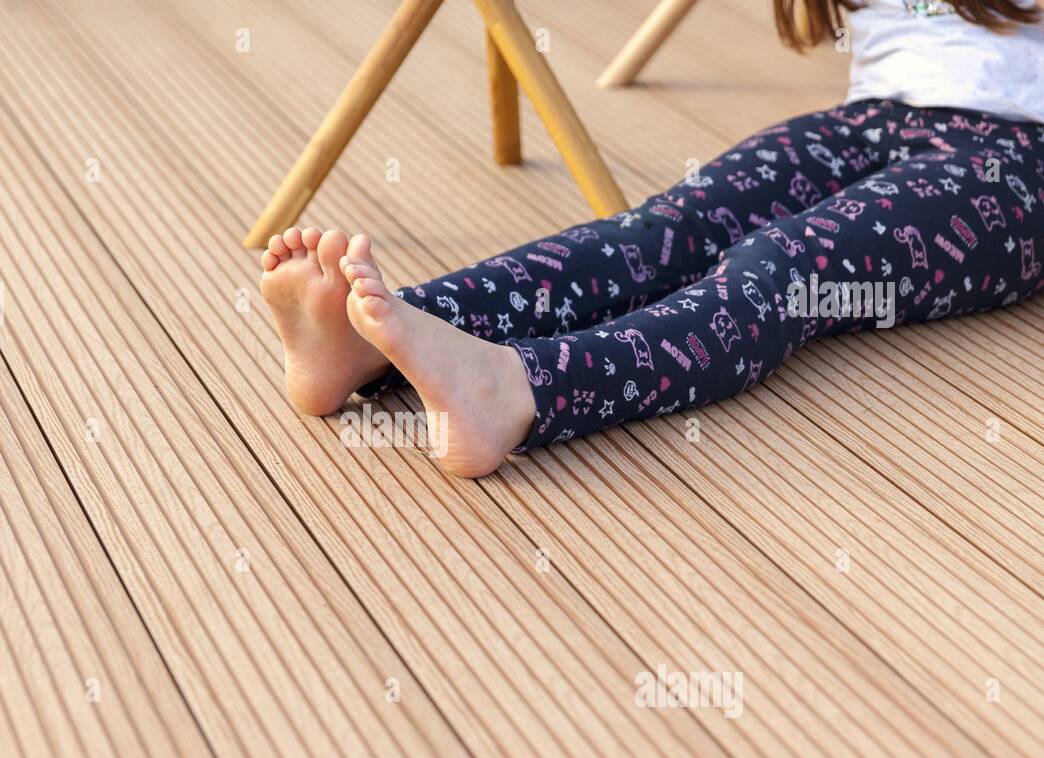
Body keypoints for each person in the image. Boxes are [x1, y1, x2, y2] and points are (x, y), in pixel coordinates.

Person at [259, 0, 1044, 477]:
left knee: (786, 266)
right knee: (664, 229)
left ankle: (513, 389)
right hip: (870, 117)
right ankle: (372, 342)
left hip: (1017, 158)